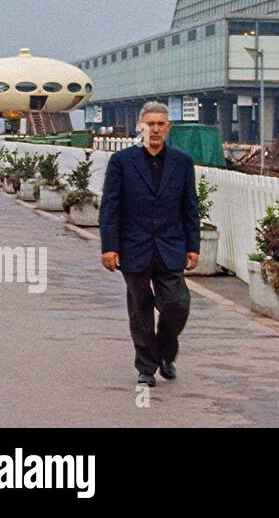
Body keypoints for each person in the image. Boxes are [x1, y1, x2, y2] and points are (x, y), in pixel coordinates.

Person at [99, 101, 200, 387]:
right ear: (140, 126)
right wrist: (109, 247)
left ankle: (165, 352)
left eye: (160, 124)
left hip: (170, 246)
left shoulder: (182, 163)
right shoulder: (121, 162)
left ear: (168, 128)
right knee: (140, 309)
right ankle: (146, 367)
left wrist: (193, 246)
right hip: (133, 247)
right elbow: (110, 207)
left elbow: (190, 207)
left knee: (178, 304)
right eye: (150, 124)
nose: (155, 129)